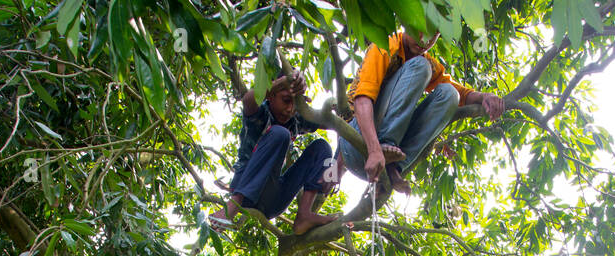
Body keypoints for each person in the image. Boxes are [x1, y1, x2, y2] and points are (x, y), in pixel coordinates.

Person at [339, 28, 506, 196]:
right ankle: (385, 147)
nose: (425, 41)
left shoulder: (428, 63)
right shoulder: (386, 45)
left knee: (449, 94)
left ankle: (395, 166)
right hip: (357, 144)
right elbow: (362, 101)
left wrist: (485, 96)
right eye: (421, 30)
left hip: (381, 162)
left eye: (432, 36)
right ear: (406, 22)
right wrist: (374, 150)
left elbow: (461, 94)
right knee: (420, 66)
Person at [211, 71, 342, 235]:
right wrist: (281, 82)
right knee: (280, 134)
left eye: (295, 104)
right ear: (270, 96)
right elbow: (248, 101)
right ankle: (233, 205)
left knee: (322, 147)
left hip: (272, 200)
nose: (289, 109)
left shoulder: (295, 118)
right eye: (286, 100)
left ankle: (304, 216)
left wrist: (337, 164)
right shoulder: (259, 112)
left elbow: (339, 124)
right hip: (245, 188)